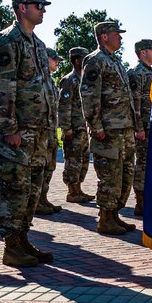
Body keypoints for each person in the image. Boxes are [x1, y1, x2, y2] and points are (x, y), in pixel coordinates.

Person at [0, 0, 56, 267]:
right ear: (20, 8)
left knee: (32, 189)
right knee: (14, 187)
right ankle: (11, 246)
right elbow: (2, 88)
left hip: (38, 133)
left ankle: (23, 239)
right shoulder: (8, 40)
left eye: (43, 5)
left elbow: (43, 88)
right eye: (37, 4)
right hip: (18, 133)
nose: (43, 9)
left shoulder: (38, 45)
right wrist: (9, 128)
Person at [80, 21, 140, 236]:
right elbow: (88, 94)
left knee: (125, 175)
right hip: (108, 130)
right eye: (117, 34)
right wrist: (95, 125)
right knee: (110, 176)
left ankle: (114, 215)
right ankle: (105, 219)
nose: (121, 38)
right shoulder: (95, 61)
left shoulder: (114, 61)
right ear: (104, 36)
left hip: (124, 128)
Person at [58, 47, 94, 203]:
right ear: (77, 60)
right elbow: (64, 107)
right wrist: (66, 129)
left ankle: (79, 189)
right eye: (85, 59)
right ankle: (72, 191)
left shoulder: (85, 80)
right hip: (74, 130)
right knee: (73, 161)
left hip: (84, 129)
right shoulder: (69, 80)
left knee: (84, 160)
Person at [128, 38, 152, 217]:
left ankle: (149, 198)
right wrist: (139, 128)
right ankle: (141, 201)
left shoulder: (150, 72)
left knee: (150, 164)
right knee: (143, 164)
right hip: (143, 128)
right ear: (143, 52)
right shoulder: (137, 73)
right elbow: (134, 103)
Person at [36, 49, 64, 215]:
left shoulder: (50, 81)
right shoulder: (38, 79)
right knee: (40, 167)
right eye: (55, 59)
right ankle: (37, 201)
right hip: (41, 132)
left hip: (51, 130)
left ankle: (43, 198)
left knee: (49, 167)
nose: (57, 63)